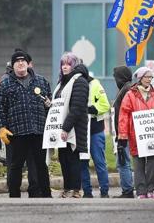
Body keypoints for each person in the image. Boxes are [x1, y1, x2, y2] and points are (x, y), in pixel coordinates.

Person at [0, 49, 53, 198]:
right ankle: (14, 195)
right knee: (15, 166)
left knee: (41, 165)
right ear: (13, 66)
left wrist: (49, 106)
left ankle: (46, 194)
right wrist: (1, 127)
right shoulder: (5, 83)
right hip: (17, 132)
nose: (20, 63)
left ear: (28, 64)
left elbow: (51, 104)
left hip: (38, 130)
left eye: (23, 61)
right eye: (17, 61)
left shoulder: (41, 81)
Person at [117, 66, 154, 199]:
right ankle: (141, 191)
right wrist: (123, 136)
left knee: (153, 163)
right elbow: (123, 116)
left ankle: (150, 189)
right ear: (140, 78)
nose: (149, 79)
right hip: (136, 135)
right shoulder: (130, 95)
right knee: (138, 163)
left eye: (151, 77)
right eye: (147, 77)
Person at [55, 52, 91, 198]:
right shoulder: (62, 82)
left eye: (68, 64)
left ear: (74, 65)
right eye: (63, 64)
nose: (65, 67)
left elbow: (77, 108)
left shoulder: (80, 81)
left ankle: (76, 189)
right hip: (63, 126)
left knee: (73, 159)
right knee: (63, 159)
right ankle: (67, 188)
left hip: (74, 128)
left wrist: (65, 128)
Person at [81, 59, 113, 198]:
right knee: (83, 162)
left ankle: (104, 191)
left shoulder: (95, 84)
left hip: (95, 130)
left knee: (99, 162)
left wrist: (92, 110)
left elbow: (105, 105)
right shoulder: (71, 84)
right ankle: (87, 192)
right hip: (81, 131)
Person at [110, 65, 136, 198]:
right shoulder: (127, 88)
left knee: (122, 163)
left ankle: (127, 190)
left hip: (123, 134)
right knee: (125, 162)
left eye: (116, 77)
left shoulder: (126, 90)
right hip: (124, 132)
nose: (115, 80)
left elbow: (124, 114)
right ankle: (129, 188)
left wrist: (121, 136)